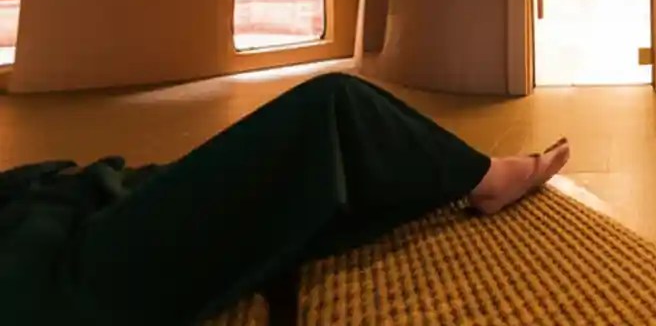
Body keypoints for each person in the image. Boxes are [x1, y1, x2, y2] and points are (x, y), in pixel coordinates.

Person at [0, 72, 571, 325]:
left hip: (49, 219)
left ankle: (451, 173)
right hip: (48, 284)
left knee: (299, 173)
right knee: (333, 104)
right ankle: (488, 178)